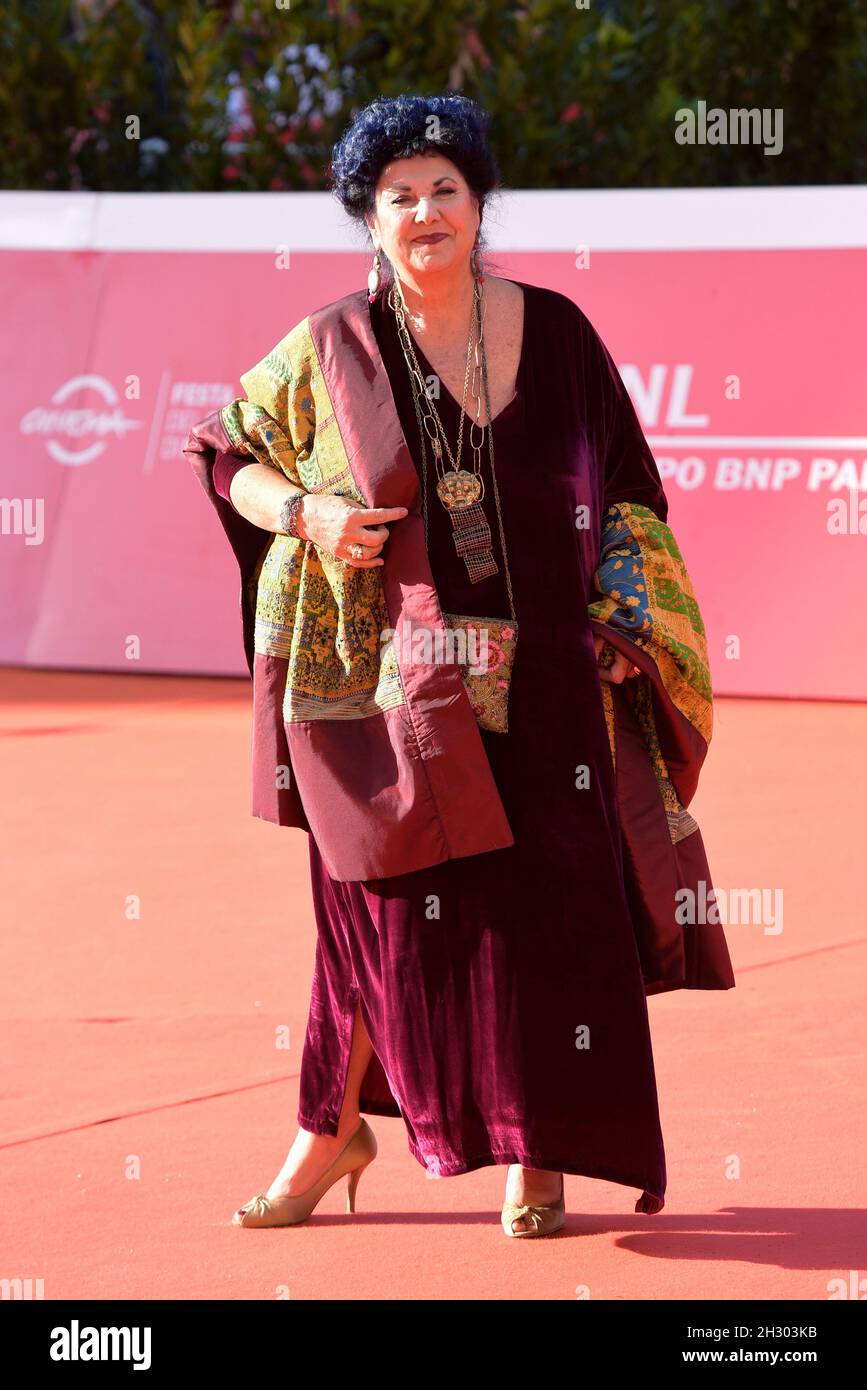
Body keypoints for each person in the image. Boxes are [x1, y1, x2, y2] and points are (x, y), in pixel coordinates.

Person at [185, 92, 733, 1239]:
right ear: (368, 221)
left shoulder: (563, 332)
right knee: (373, 913)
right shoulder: (328, 348)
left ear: (481, 205)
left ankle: (541, 1150)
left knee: (556, 912)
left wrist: (627, 624)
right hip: (398, 684)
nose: (425, 211)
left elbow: (629, 490)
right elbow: (225, 451)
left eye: (445, 190)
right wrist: (308, 515)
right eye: (398, 198)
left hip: (553, 685)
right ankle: (331, 1131)